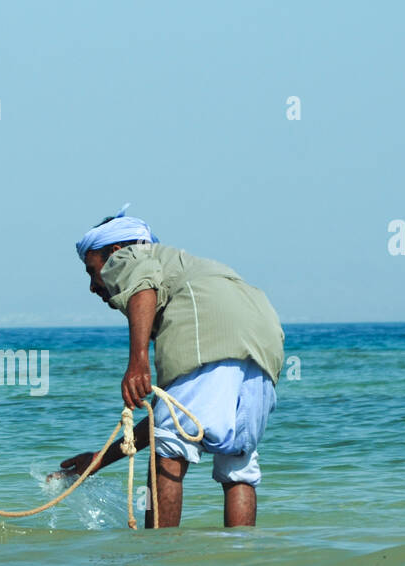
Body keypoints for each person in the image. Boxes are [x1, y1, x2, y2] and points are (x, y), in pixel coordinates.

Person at [57, 206, 285, 528]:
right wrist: (98, 460)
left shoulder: (131, 256)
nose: (95, 286)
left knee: (168, 455)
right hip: (264, 343)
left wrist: (138, 362)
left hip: (211, 329)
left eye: (93, 271)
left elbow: (142, 287)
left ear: (115, 251)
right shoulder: (185, 268)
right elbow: (164, 418)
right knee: (238, 465)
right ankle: (240, 564)